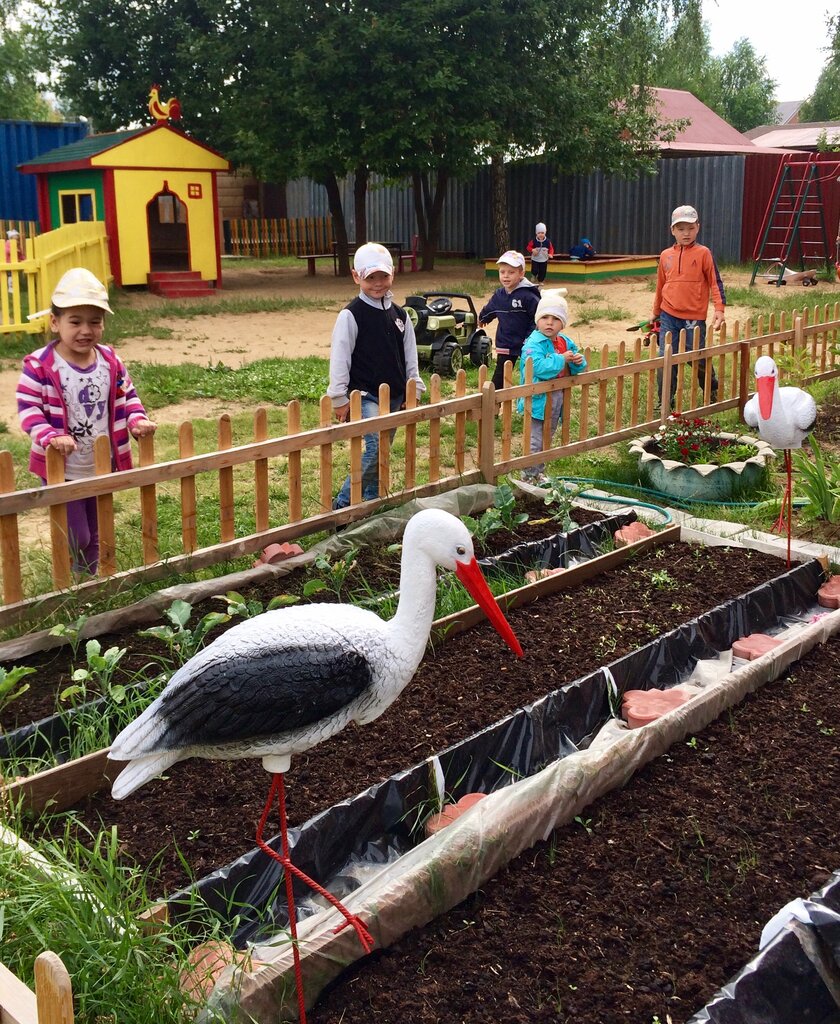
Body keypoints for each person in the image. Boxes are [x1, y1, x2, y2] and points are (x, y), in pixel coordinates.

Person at [17, 267, 156, 574]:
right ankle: (70, 576)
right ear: (55, 322)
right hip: (62, 466)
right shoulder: (41, 365)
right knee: (76, 534)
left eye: (95, 322)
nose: (85, 330)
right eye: (75, 321)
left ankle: (88, 584)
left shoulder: (109, 360)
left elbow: (127, 395)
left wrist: (136, 419)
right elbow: (28, 408)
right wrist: (49, 435)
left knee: (97, 531)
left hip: (100, 463)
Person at [328, 242, 426, 509]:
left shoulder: (400, 315)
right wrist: (338, 396)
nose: (378, 283)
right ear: (356, 276)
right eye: (371, 277)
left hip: (394, 395)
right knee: (375, 446)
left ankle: (370, 501)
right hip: (365, 394)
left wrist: (413, 388)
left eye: (383, 276)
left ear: (392, 274)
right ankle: (344, 503)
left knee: (383, 449)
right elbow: (340, 357)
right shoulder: (351, 315)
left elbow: (410, 356)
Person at [652, 204, 725, 404]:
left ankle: (711, 390)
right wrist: (656, 312)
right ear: (672, 230)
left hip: (693, 317)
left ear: (698, 228)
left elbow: (715, 281)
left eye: (691, 228)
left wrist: (719, 308)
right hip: (668, 315)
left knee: (698, 357)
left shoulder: (704, 253)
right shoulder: (666, 255)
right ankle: (665, 400)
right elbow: (660, 285)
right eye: (681, 228)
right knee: (666, 358)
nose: (686, 233)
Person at [516, 289, 587, 483]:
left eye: (555, 318)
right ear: (537, 320)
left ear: (562, 323)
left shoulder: (564, 342)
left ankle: (538, 472)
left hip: (556, 396)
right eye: (545, 317)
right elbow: (538, 367)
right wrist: (561, 359)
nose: (549, 322)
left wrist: (577, 361)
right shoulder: (533, 343)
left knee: (548, 434)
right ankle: (528, 474)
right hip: (537, 398)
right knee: (535, 438)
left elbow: (576, 364)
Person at [479, 250, 541, 393]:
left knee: (531, 370)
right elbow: (491, 308)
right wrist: (483, 318)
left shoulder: (528, 295)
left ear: (521, 274)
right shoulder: (499, 295)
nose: (506, 276)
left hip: (527, 341)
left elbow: (538, 317)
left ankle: (531, 397)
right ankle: (495, 403)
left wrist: (531, 337)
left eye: (511, 272)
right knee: (501, 372)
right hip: (506, 340)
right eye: (502, 272)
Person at [5, 229, 21, 296]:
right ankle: (10, 288)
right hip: (9, 263)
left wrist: (22, 259)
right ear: (10, 239)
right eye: (15, 239)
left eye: (17, 240)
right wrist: (13, 250)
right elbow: (6, 250)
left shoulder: (17, 245)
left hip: (14, 263)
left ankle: (14, 287)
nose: (16, 241)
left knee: (14, 276)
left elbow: (20, 254)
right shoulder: (8, 244)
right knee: (10, 276)